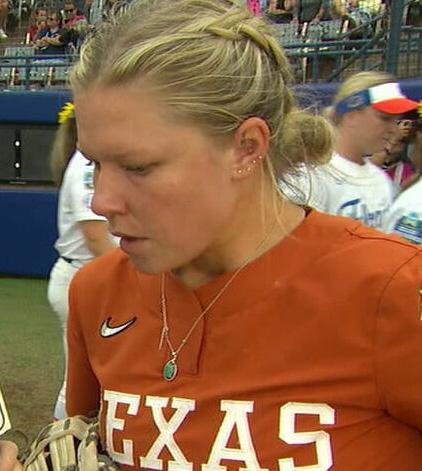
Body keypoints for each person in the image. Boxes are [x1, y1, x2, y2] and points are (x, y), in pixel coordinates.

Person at [66, 0, 422, 469]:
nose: (101, 200)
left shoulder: (391, 290)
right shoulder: (98, 293)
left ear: (246, 147)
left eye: (138, 167)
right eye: (94, 164)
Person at [46, 102, 116, 420]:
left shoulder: (88, 161)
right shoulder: (88, 166)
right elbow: (96, 237)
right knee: (79, 383)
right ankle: (62, 450)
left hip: (83, 274)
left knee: (89, 379)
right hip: (85, 277)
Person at [285, 72, 417, 228]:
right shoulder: (311, 176)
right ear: (351, 115)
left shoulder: (381, 182)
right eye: (384, 118)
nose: (393, 129)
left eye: (397, 120)